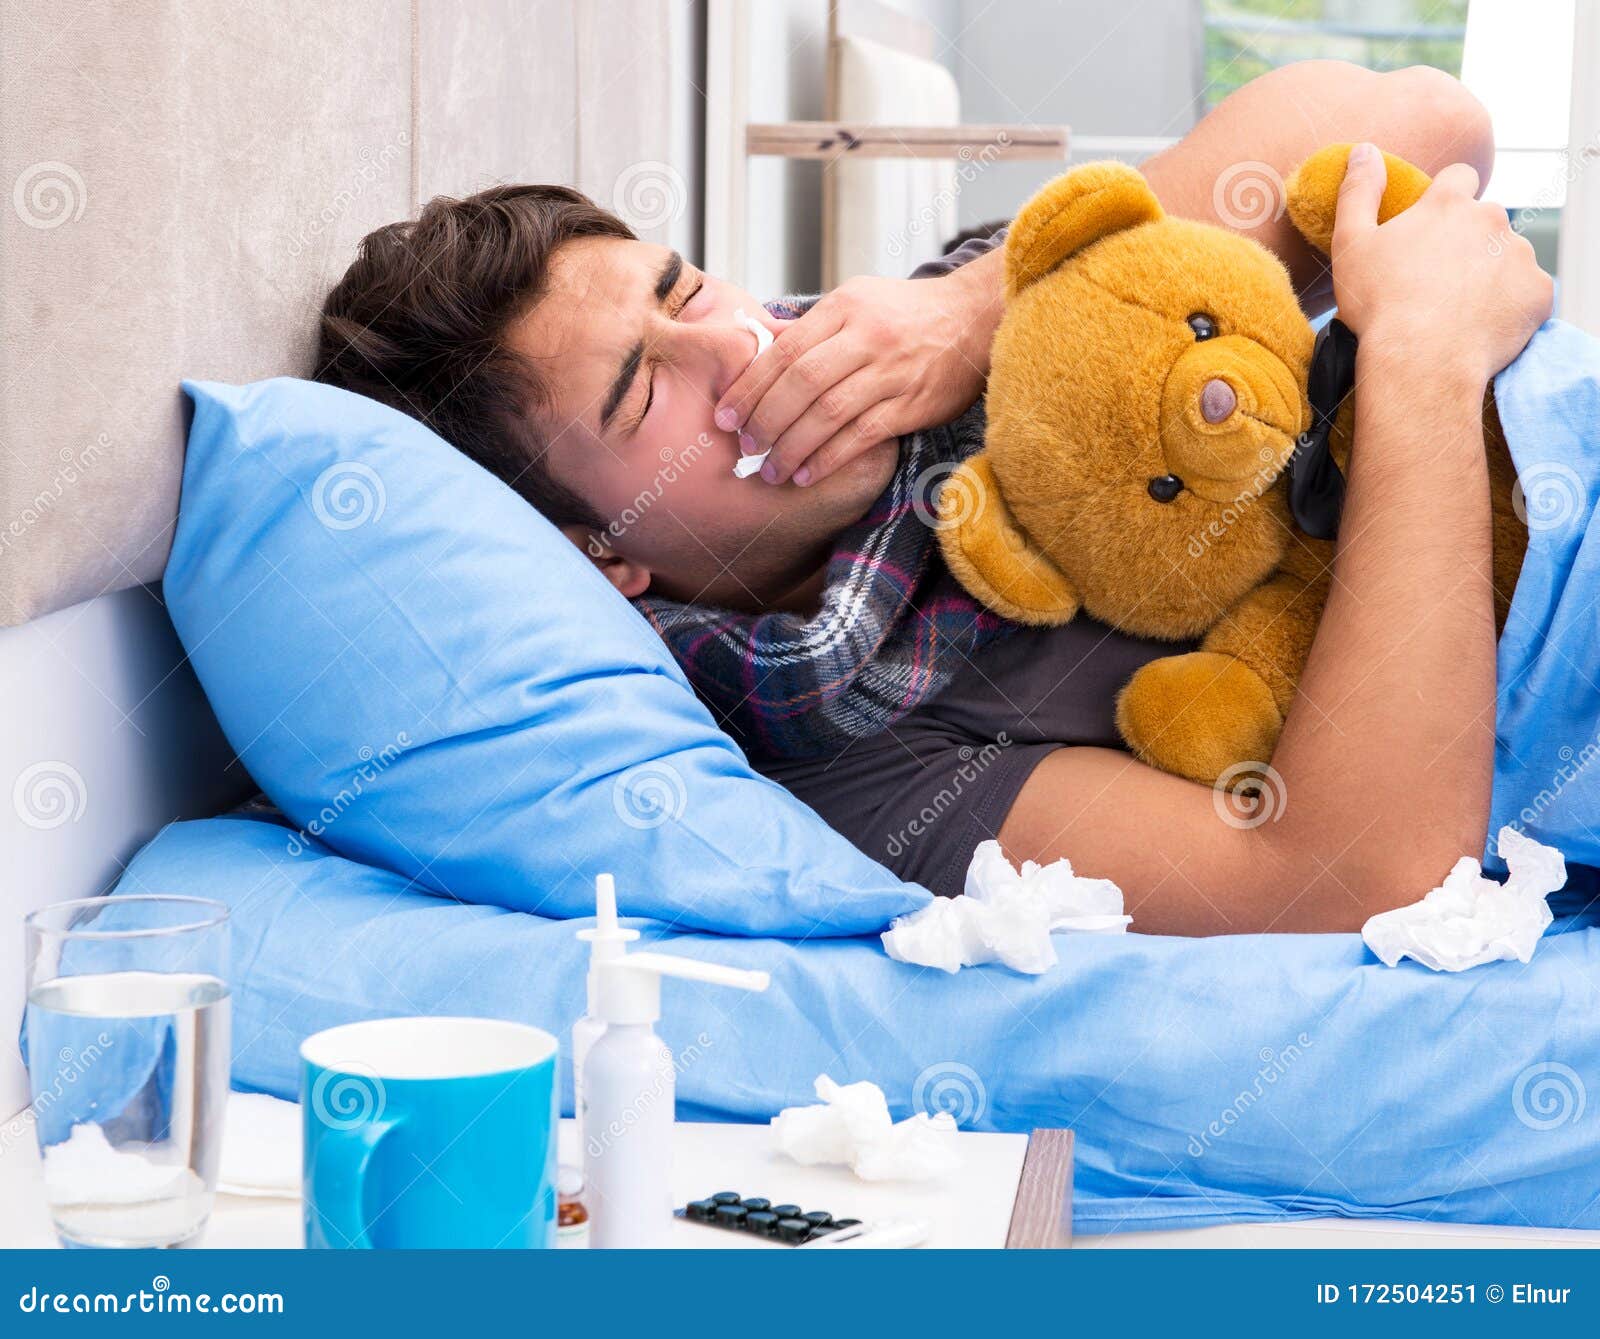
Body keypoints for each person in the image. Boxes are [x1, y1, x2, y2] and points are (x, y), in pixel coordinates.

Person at [315, 61, 1552, 935]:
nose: (743, 348)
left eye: (687, 293)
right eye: (649, 397)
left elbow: (1428, 121)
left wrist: (971, 311)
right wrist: (1421, 366)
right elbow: (1360, 875)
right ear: (601, 558)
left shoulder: (945, 333)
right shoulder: (864, 769)